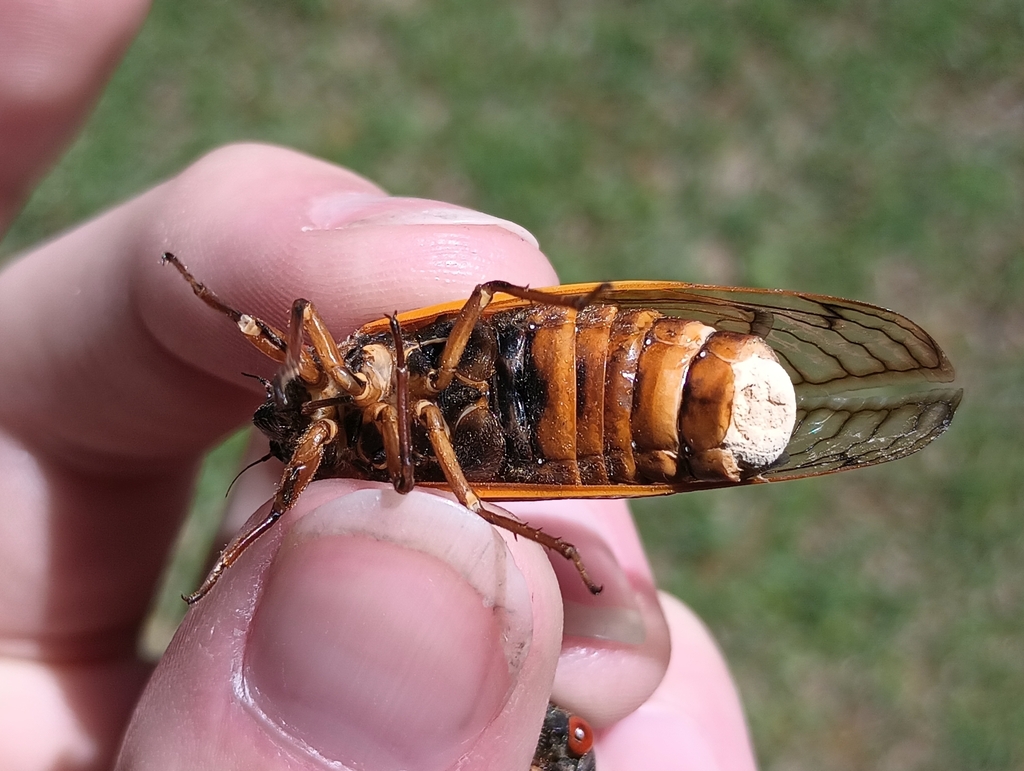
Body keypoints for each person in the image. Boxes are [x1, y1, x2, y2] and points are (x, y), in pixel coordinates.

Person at [0, 1, 758, 768]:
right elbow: (356, 478)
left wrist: (218, 302)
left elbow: (306, 309)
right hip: (528, 443)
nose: (284, 413)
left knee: (484, 291)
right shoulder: (347, 450)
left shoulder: (335, 361)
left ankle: (606, 338)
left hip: (515, 357)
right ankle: (565, 503)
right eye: (289, 426)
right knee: (450, 504)